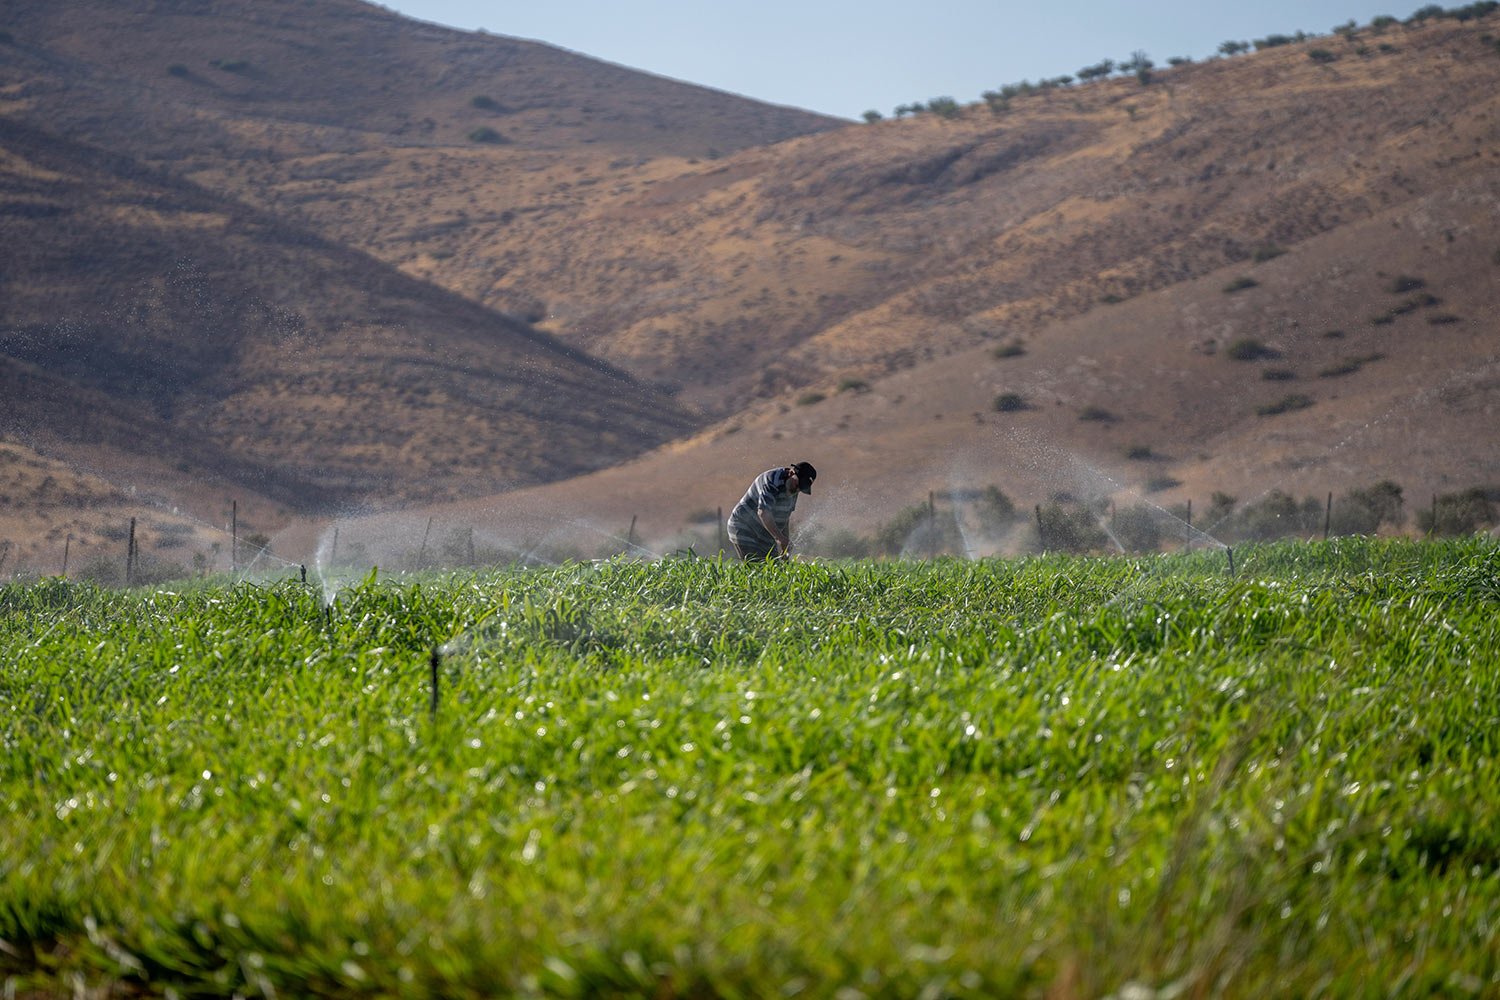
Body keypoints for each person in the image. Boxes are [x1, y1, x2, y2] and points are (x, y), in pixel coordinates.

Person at [726, 461, 817, 561]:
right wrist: (780, 538)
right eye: (798, 485)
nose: (798, 490)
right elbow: (763, 512)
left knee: (773, 570)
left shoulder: (794, 489)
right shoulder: (772, 481)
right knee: (757, 567)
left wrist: (785, 543)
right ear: (791, 473)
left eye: (801, 488)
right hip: (744, 527)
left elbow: (785, 519)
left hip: (766, 534)